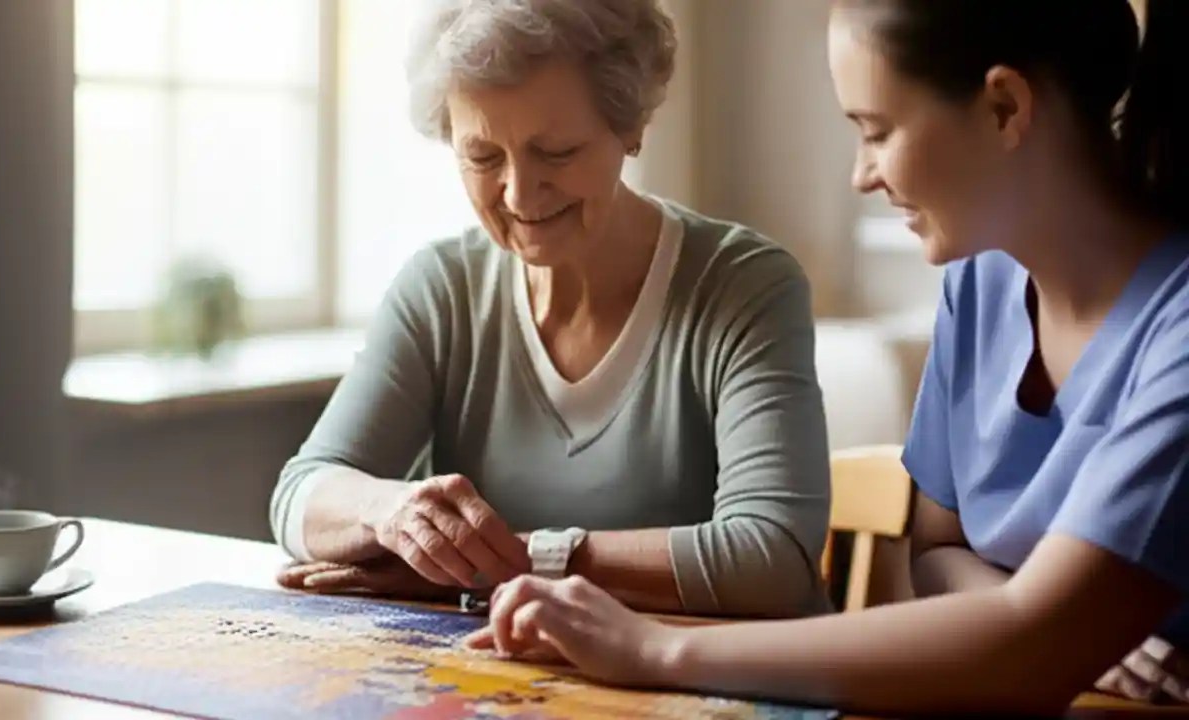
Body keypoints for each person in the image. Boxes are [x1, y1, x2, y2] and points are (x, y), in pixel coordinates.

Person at [462, 0, 1189, 715]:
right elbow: (936, 557)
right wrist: (1071, 624)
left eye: (876, 131)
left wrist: (653, 649)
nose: (861, 175)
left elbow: (1028, 653)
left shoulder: (1177, 329)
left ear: (1004, 108)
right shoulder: (979, 282)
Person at [269, 0, 831, 619]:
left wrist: (511, 563)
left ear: (631, 126)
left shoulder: (745, 285)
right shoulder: (441, 289)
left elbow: (772, 559)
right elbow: (300, 496)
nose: (518, 192)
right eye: (483, 157)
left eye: (557, 152)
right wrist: (389, 514)